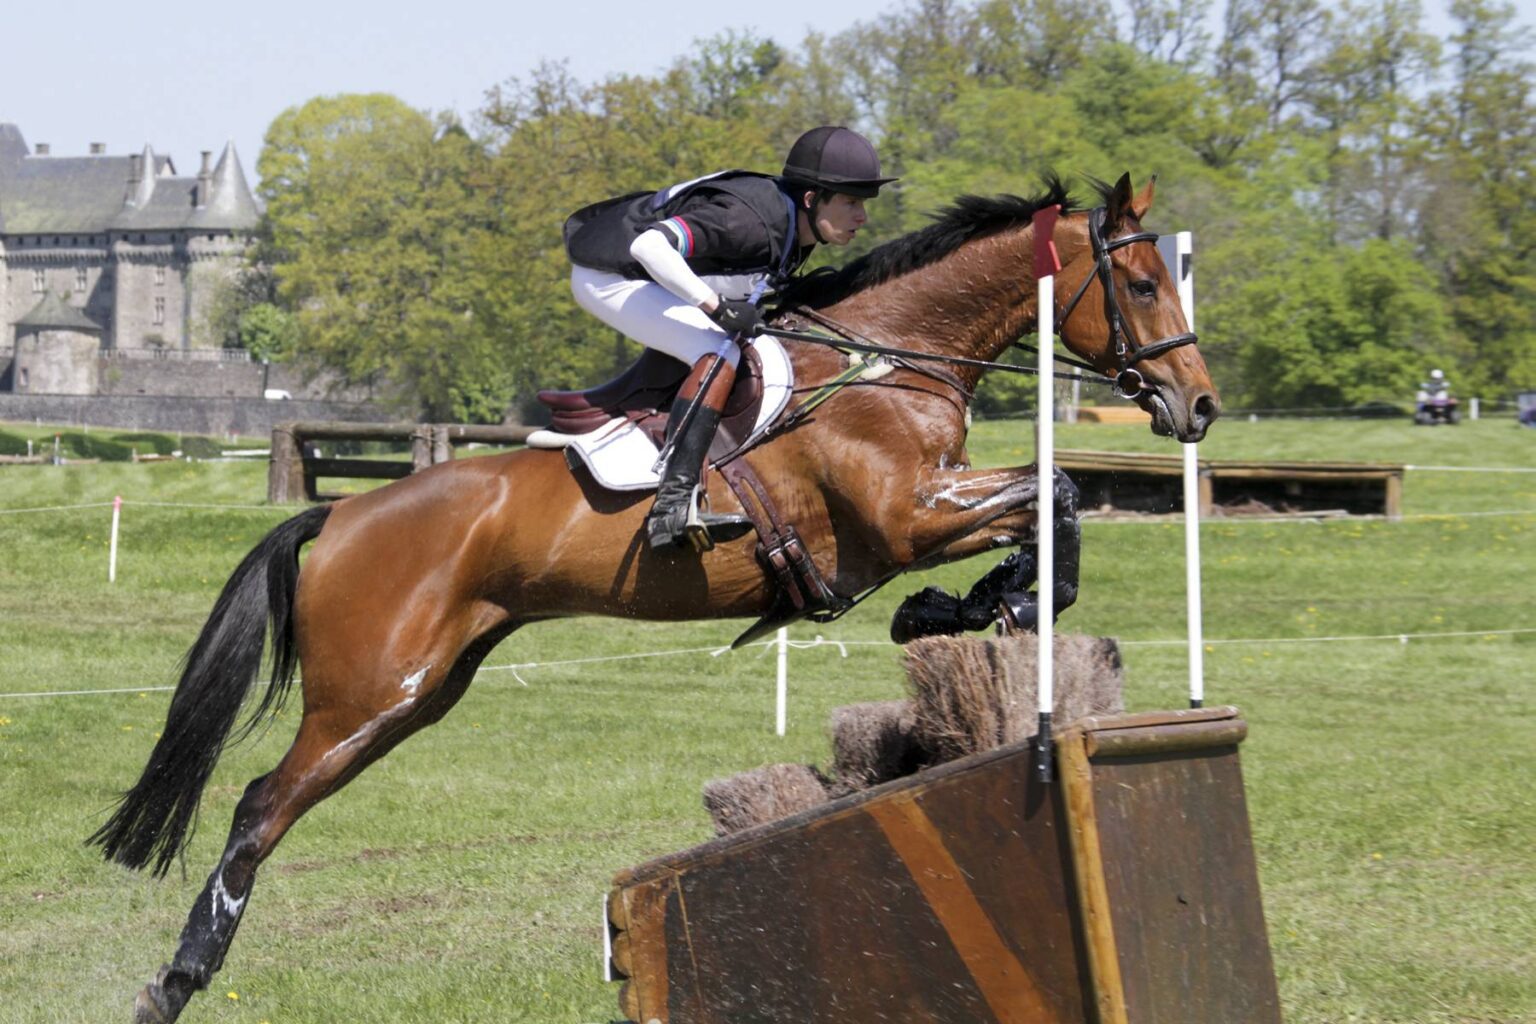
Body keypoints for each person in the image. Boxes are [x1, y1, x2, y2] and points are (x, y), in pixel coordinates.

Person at [563, 126, 896, 551]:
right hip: (609, 275)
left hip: (645, 272)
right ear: (812, 199)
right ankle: (672, 506)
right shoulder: (748, 223)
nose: (862, 217)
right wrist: (716, 308)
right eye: (851, 202)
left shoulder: (795, 230)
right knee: (716, 350)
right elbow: (649, 247)